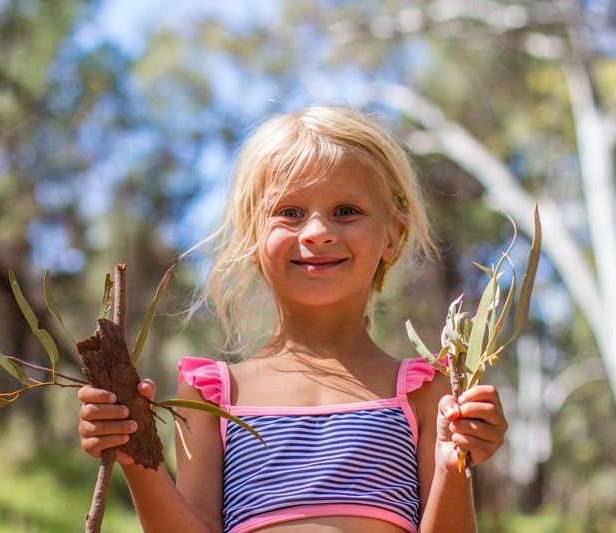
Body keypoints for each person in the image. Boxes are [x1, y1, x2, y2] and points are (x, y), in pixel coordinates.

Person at [78, 105, 508, 532]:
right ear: (253, 236)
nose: (316, 231)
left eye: (346, 211)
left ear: (393, 236)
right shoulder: (211, 396)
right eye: (289, 212)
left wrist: (454, 465)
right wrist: (136, 456)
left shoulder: (424, 392)